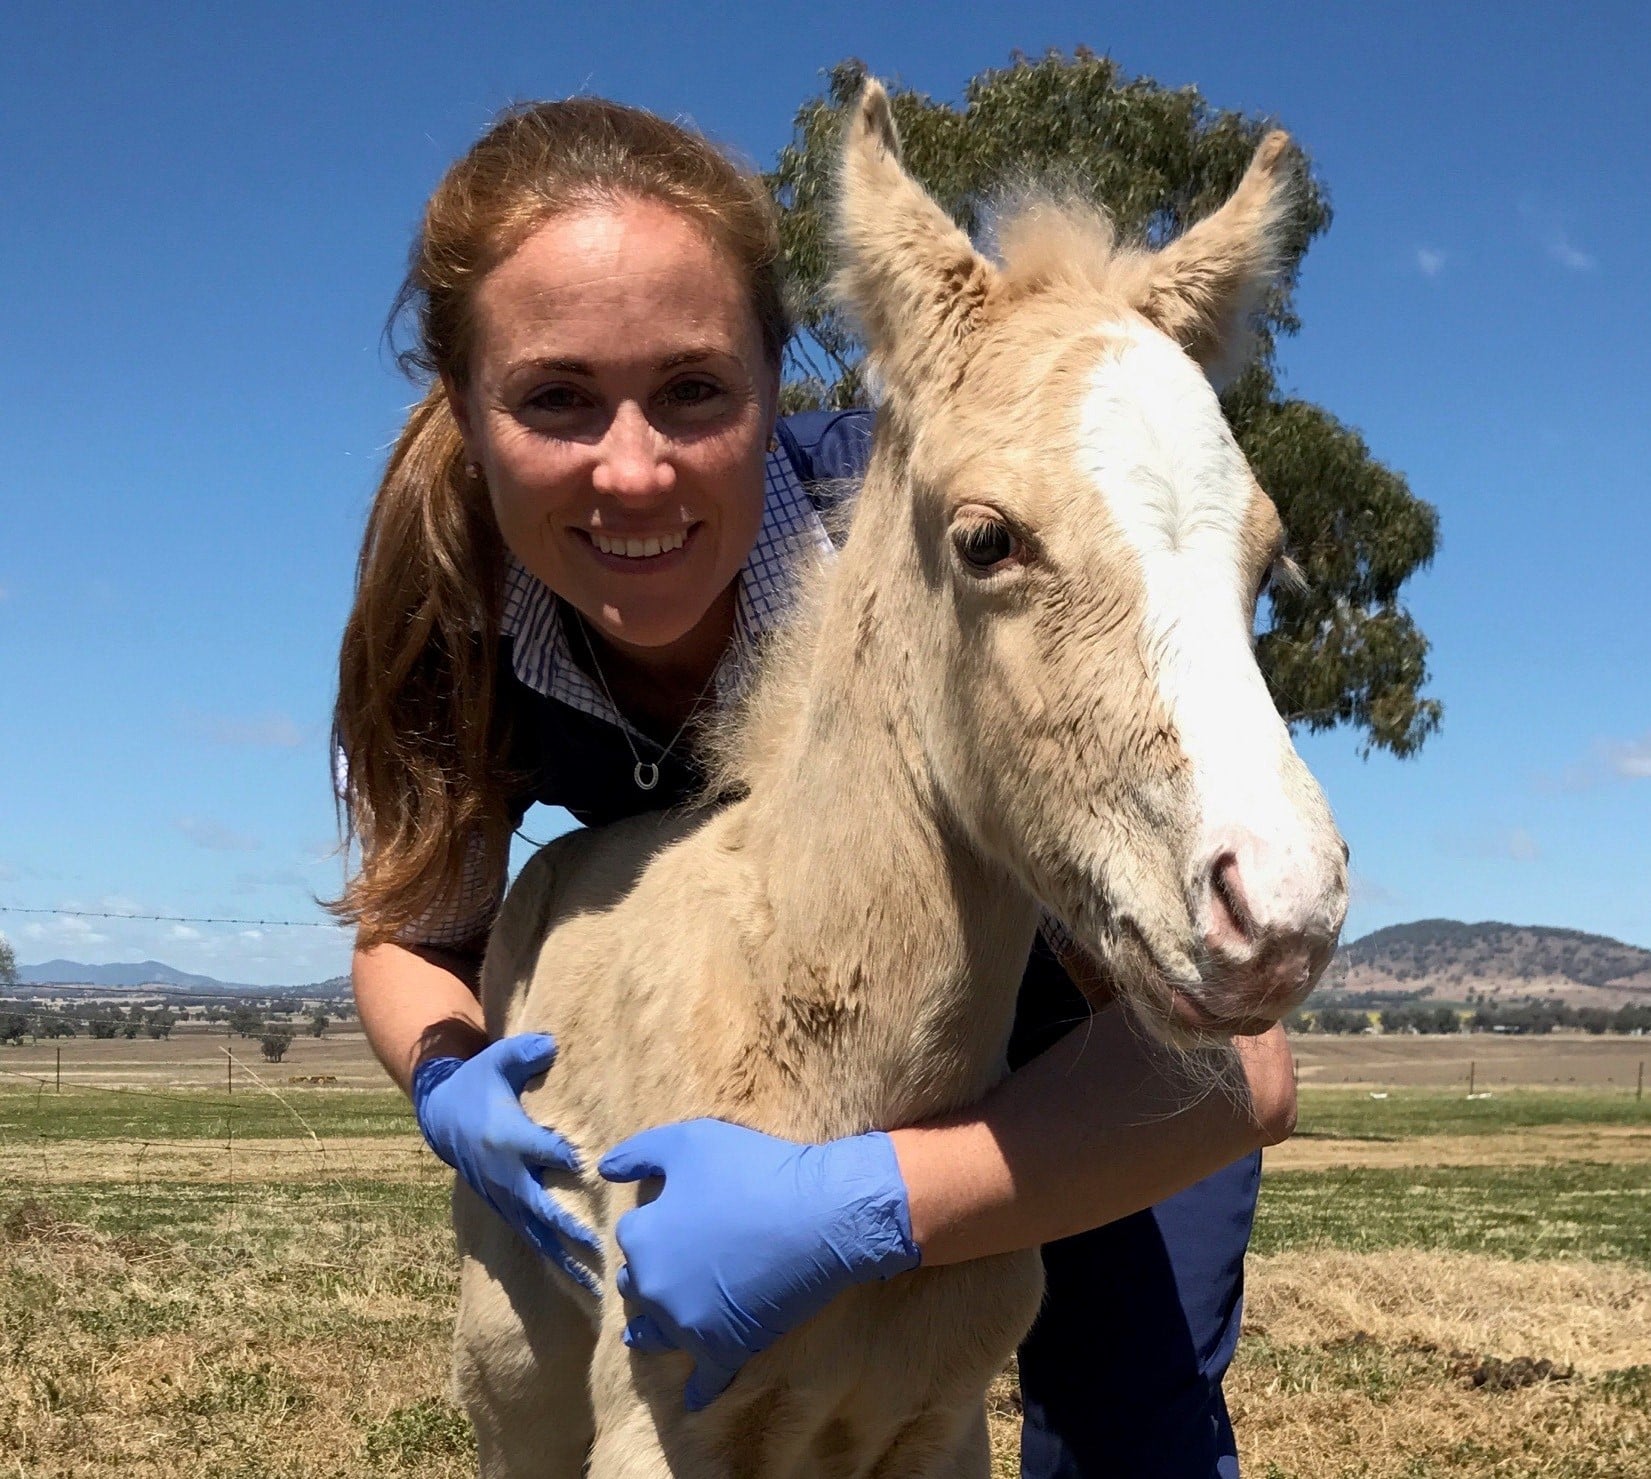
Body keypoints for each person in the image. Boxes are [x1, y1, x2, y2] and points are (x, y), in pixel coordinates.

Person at [333, 95, 1298, 1478]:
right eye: (555, 397)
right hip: (791, 1002)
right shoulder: (457, 611)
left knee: (1130, 1414)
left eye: (693, 391)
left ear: (778, 385)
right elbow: (412, 929)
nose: (632, 467)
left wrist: (851, 1206)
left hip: (1088, 1005)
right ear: (464, 410)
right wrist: (448, 1080)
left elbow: (1234, 1071)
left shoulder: (949, 537)